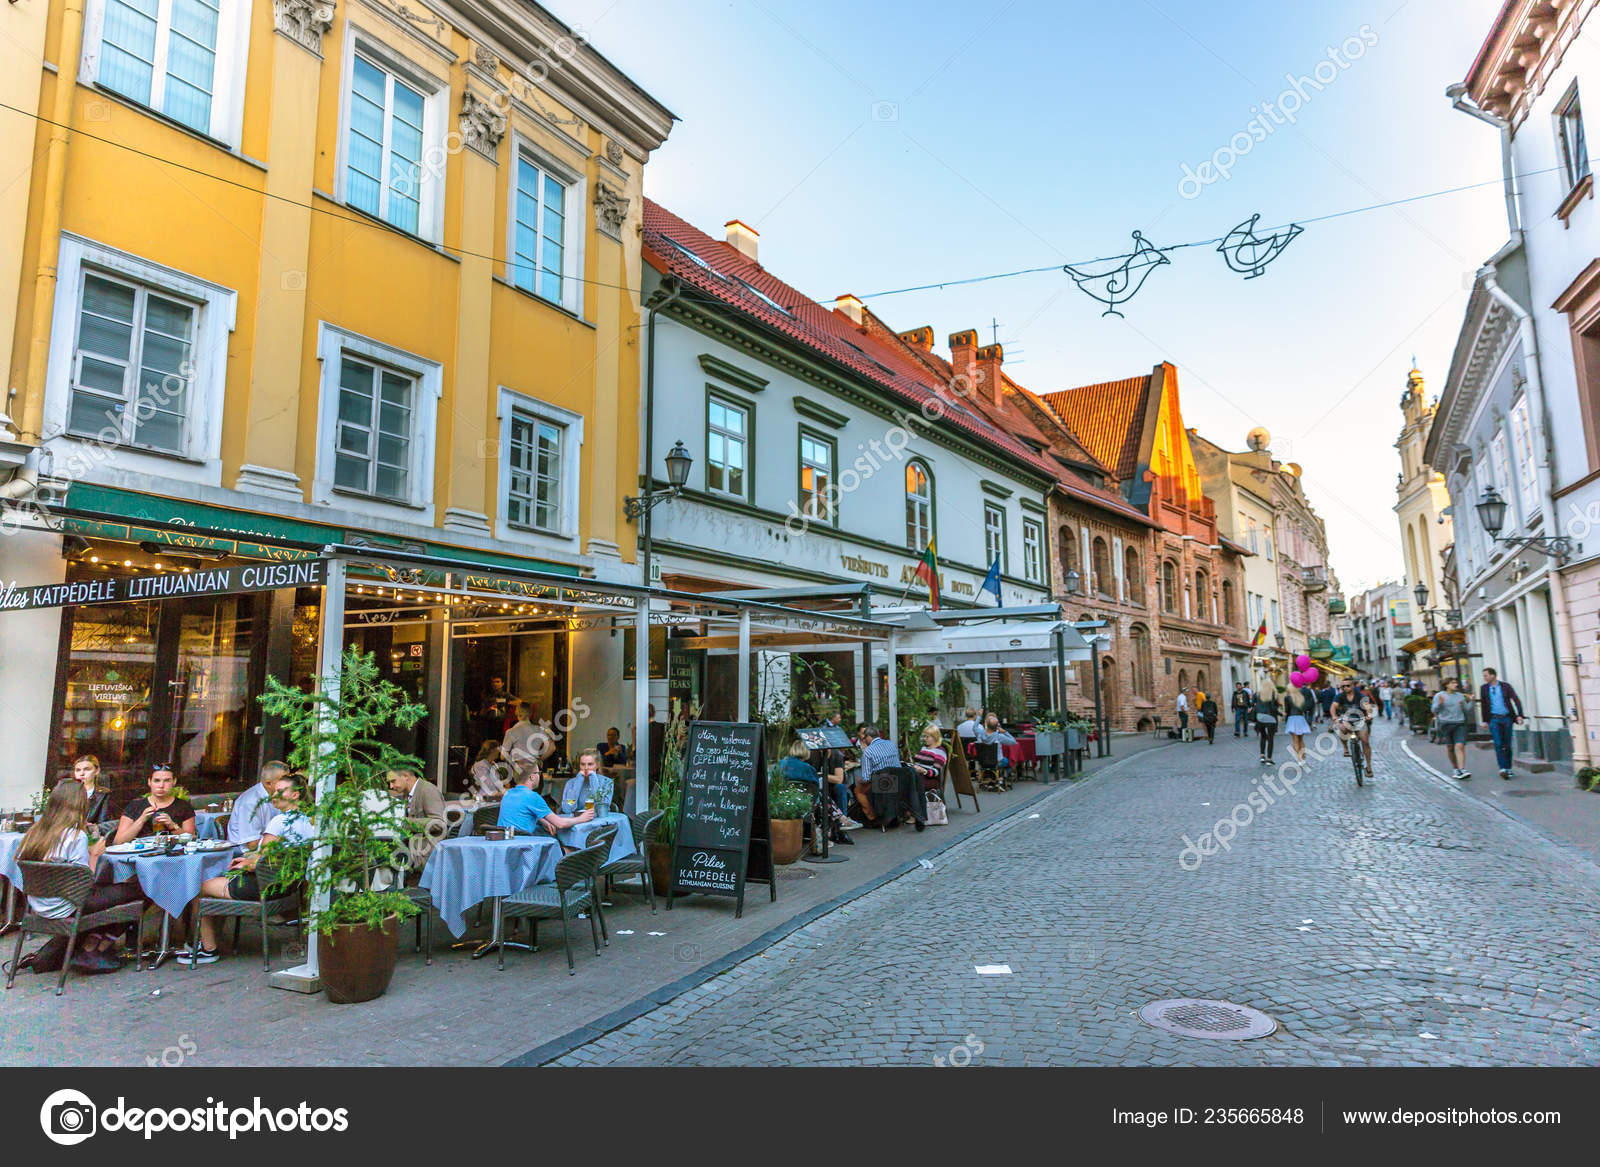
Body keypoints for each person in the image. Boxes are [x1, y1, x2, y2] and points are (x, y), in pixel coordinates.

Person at [10, 780, 143, 975]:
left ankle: (91, 945)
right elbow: (85, 885)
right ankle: (96, 947)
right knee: (140, 889)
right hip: (69, 906)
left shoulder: (35, 832)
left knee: (111, 889)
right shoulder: (75, 836)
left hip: (39, 905)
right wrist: (96, 855)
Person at [183, 773, 315, 965]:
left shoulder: (279, 822)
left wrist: (247, 863)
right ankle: (211, 939)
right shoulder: (304, 822)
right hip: (287, 888)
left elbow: (265, 861)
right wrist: (249, 860)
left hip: (262, 887)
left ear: (295, 795)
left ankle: (207, 948)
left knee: (199, 887)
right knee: (218, 884)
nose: (273, 796)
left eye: (280, 791)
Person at [498, 764, 594, 838]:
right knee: (571, 850)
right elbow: (560, 824)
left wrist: (543, 820)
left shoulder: (508, 793)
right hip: (524, 845)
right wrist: (582, 818)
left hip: (506, 843)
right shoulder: (533, 797)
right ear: (532, 777)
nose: (539, 776)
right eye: (538, 773)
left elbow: (523, 811)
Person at [113, 763, 196, 844]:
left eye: (167, 781)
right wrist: (142, 819)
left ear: (174, 782)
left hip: (172, 854)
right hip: (140, 854)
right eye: (157, 781)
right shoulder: (135, 805)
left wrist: (172, 825)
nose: (161, 785)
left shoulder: (183, 806)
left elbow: (192, 839)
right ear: (149, 782)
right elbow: (118, 841)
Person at [386, 767, 447, 867]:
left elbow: (438, 823)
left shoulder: (427, 790)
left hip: (427, 856)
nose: (391, 786)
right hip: (412, 850)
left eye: (393, 781)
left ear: (406, 776)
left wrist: (403, 822)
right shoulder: (407, 794)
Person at [1479, 667, 1525, 780]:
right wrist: (1485, 720)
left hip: (1507, 718)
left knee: (1507, 744)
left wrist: (1520, 715)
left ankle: (1508, 768)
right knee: (1498, 743)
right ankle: (1502, 768)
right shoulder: (1484, 688)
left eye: (1486, 675)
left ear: (1493, 675)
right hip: (1493, 719)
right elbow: (1484, 705)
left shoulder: (1505, 686)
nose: (1484, 678)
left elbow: (1516, 700)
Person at [228, 760, 288, 847]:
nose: (288, 784)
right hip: (245, 853)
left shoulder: (278, 796)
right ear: (268, 783)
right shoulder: (251, 802)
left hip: (269, 847)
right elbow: (252, 844)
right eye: (283, 781)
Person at [1332, 681, 1375, 779]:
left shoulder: (1360, 696)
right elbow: (1333, 707)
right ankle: (1346, 748)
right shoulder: (1340, 696)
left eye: (1348, 686)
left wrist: (1369, 714)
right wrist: (1334, 716)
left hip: (1360, 720)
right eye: (1343, 686)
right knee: (1341, 728)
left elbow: (1367, 706)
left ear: (1352, 686)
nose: (1345, 688)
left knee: (1365, 741)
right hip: (1346, 719)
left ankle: (1369, 767)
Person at [1432, 676, 1472, 781]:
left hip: (1459, 723)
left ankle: (1462, 769)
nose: (1456, 685)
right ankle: (1455, 768)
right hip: (1445, 724)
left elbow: (1466, 710)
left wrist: (1470, 701)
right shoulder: (1439, 695)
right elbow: (1434, 710)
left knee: (1460, 745)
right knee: (1450, 747)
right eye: (1453, 683)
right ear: (1447, 685)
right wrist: (1440, 704)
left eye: (1456, 683)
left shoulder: (1460, 696)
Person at [557, 749, 614, 817]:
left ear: (597, 765)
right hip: (576, 820)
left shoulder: (607, 782)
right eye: (583, 764)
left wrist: (593, 779)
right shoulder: (570, 783)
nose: (586, 768)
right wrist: (578, 782)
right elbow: (568, 809)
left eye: (590, 764)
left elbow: (602, 810)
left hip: (598, 821)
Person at [71, 755, 116, 831]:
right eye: (78, 770)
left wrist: (93, 828)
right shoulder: (67, 792)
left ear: (97, 771)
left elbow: (104, 822)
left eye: (87, 769)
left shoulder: (104, 795)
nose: (82, 773)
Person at [1282, 683, 1313, 763]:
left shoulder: (1287, 698)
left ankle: (1299, 760)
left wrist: (1285, 719)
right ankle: (1304, 758)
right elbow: (1304, 708)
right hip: (1300, 718)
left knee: (1295, 740)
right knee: (1301, 740)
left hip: (1292, 719)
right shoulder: (1301, 697)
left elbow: (1287, 710)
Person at [1253, 686, 1282, 764]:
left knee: (1262, 736)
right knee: (1270, 738)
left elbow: (1254, 705)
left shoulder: (1258, 695)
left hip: (1260, 718)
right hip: (1270, 718)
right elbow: (1273, 708)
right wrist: (1281, 713)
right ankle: (1269, 759)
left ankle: (1262, 756)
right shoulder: (1272, 695)